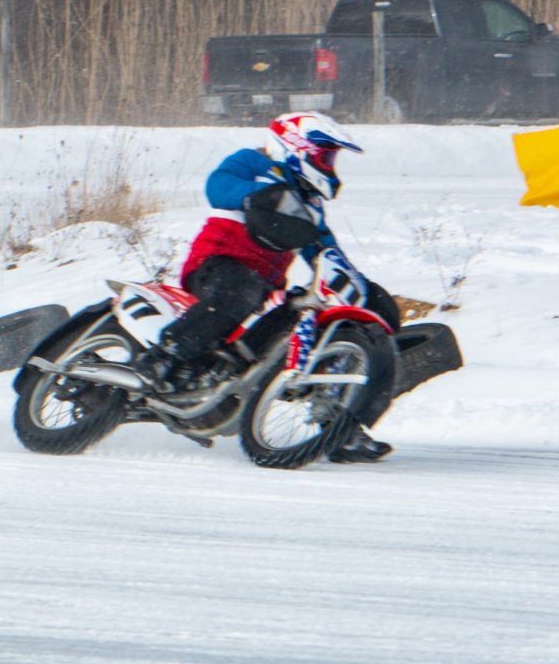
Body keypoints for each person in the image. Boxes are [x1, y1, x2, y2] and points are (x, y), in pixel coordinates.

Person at [142, 112, 402, 463]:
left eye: (330, 159)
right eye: (325, 156)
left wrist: (360, 286)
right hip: (218, 264)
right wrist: (262, 195)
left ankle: (337, 426)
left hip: (263, 288)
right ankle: (164, 355)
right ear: (296, 146)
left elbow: (323, 249)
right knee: (240, 292)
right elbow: (217, 186)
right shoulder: (253, 162)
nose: (328, 165)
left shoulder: (310, 204)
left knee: (299, 320)